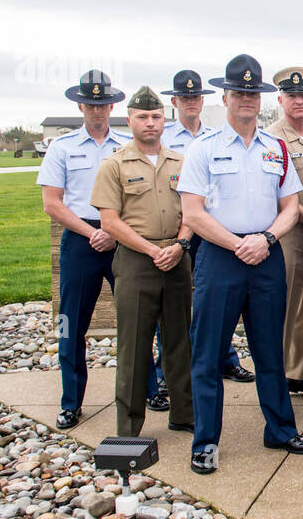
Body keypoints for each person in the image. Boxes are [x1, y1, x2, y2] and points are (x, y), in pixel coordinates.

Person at [178, 54, 303, 475]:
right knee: (209, 353)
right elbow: (193, 213)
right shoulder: (204, 148)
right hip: (221, 257)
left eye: (253, 93)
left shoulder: (276, 149)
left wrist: (268, 239)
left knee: (270, 347)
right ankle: (205, 442)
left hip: (267, 254)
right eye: (239, 92)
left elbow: (291, 205)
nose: (247, 100)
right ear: (225, 96)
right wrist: (240, 245)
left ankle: (280, 428)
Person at [90, 86, 194, 436]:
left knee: (180, 342)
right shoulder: (114, 165)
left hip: (177, 259)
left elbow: (193, 212)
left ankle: (184, 414)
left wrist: (179, 245)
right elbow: (110, 221)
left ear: (166, 119)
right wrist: (153, 251)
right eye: (142, 117)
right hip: (137, 261)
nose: (150, 123)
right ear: (129, 119)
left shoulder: (181, 162)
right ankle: (129, 426)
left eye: (156, 117)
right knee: (134, 346)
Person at [38, 69, 130, 429]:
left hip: (120, 236)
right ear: (80, 105)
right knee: (71, 324)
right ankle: (71, 401)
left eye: (103, 104)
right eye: (91, 104)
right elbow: (53, 202)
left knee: (137, 319)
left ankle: (148, 390)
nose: (97, 111)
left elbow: (133, 198)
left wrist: (112, 231)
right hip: (81, 237)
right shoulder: (62, 147)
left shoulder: (125, 147)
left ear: (112, 106)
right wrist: (92, 233)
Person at [157, 69, 252, 388]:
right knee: (174, 302)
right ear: (174, 102)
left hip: (212, 227)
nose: (191, 102)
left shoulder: (215, 136)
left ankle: (226, 359)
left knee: (215, 299)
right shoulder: (163, 139)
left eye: (196, 97)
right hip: (177, 226)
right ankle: (165, 371)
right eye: (185, 98)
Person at [268, 65, 303, 398]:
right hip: (289, 232)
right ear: (280, 99)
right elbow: (272, 189)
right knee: (285, 306)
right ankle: (275, 376)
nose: (298, 101)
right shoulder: (273, 138)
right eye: (292, 95)